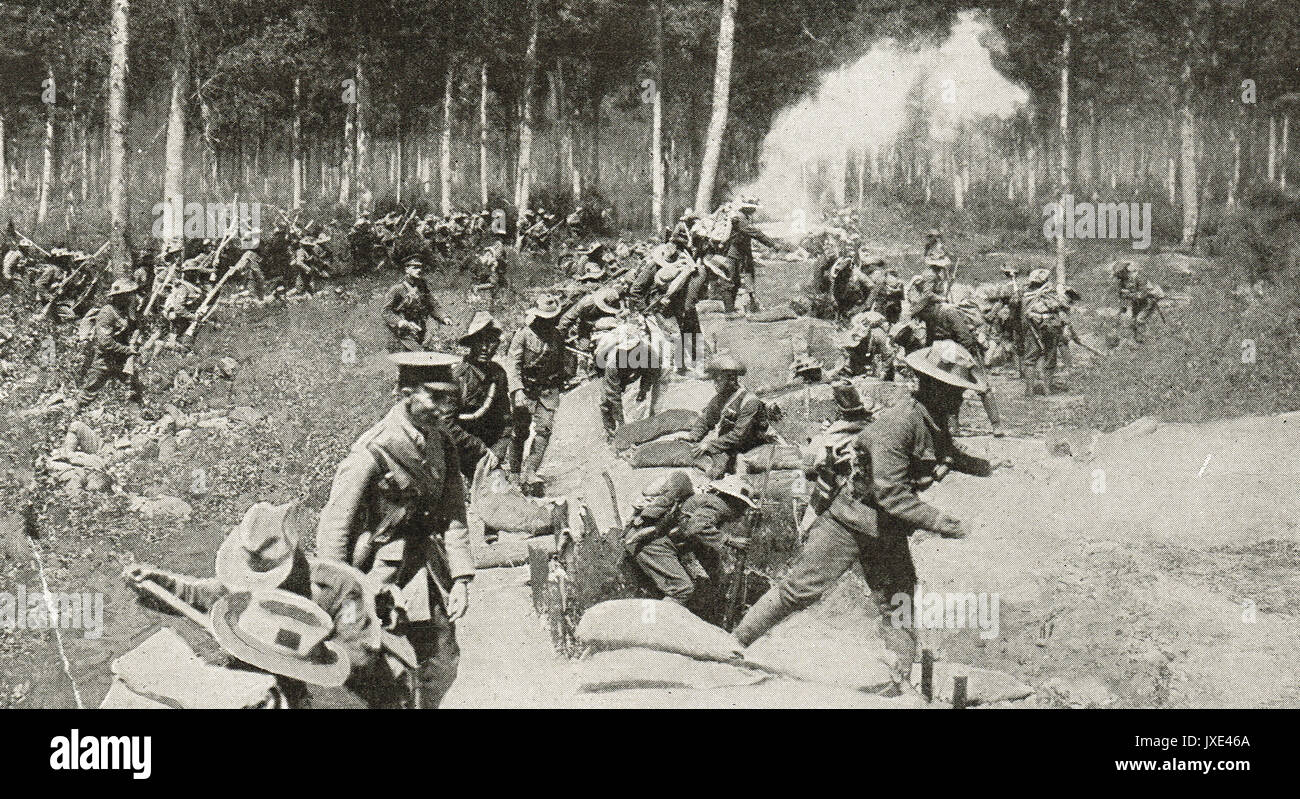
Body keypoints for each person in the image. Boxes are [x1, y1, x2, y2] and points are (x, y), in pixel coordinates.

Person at [731, 341, 994, 680]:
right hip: (849, 521)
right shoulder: (898, 424)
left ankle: (902, 677)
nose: (959, 398)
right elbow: (892, 495)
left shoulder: (932, 419)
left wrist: (985, 467)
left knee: (899, 604)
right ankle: (733, 645)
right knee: (799, 590)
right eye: (953, 391)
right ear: (932, 387)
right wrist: (948, 524)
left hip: (887, 530)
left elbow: (947, 452)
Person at [123, 501, 425, 708]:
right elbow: (199, 596)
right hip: (276, 683)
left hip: (338, 688)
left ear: (293, 567)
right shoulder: (247, 589)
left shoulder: (341, 589)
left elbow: (358, 656)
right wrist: (155, 582)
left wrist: (300, 657)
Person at [316, 351, 474, 709]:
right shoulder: (373, 451)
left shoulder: (442, 443)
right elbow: (335, 528)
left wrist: (461, 578)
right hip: (377, 574)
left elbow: (454, 512)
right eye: (435, 397)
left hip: (426, 570)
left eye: (449, 398)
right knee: (383, 672)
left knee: (442, 661)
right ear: (405, 395)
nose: (444, 408)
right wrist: (342, 597)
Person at [626, 474, 753, 618]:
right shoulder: (719, 505)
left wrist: (716, 578)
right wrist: (729, 540)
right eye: (744, 506)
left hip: (654, 544)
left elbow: (701, 546)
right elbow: (697, 527)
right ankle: (660, 624)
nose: (743, 513)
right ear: (734, 501)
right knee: (682, 589)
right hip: (652, 546)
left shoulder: (707, 502)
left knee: (692, 588)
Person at [905, 276, 1004, 437]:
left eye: (922, 313)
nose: (921, 317)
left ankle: (996, 425)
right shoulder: (932, 317)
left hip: (961, 350)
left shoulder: (948, 311)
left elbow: (965, 337)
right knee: (951, 388)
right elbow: (930, 340)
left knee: (982, 387)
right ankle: (953, 427)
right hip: (946, 351)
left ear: (928, 307)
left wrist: (969, 358)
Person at [505, 294, 567, 491]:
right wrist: (517, 390)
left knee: (544, 431)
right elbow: (513, 365)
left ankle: (530, 470)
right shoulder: (523, 335)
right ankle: (515, 474)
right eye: (546, 318)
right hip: (526, 390)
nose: (550, 321)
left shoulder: (557, 337)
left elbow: (561, 362)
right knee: (519, 432)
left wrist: (561, 380)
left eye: (553, 318)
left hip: (547, 390)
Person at [687, 354, 773, 479]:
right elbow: (706, 420)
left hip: (751, 447)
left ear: (732, 380)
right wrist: (692, 438)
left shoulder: (750, 402)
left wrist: (709, 445)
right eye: (714, 380)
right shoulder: (719, 399)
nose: (715, 384)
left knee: (720, 471)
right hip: (727, 445)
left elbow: (738, 435)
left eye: (719, 380)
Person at [450, 312, 512, 482]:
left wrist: (497, 452)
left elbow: (506, 419)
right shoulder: (459, 377)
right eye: (479, 341)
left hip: (488, 453)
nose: (485, 348)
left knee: (500, 489)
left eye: (490, 341)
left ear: (497, 344)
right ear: (471, 344)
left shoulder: (498, 374)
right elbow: (446, 424)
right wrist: (481, 450)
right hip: (458, 451)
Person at [75, 277, 144, 408]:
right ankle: (73, 412)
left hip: (121, 360)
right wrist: (127, 350)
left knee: (133, 389)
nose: (132, 297)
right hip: (105, 359)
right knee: (89, 392)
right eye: (129, 294)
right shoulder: (107, 312)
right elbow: (104, 342)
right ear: (119, 297)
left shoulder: (127, 312)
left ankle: (136, 413)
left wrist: (135, 334)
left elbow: (134, 328)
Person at [595, 319, 662, 442]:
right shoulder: (612, 361)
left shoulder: (648, 351)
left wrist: (643, 390)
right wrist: (622, 423)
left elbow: (651, 373)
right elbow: (613, 394)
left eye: (632, 349)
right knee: (605, 402)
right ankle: (610, 433)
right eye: (626, 350)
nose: (629, 352)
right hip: (613, 370)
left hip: (633, 370)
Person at [714, 197, 780, 314]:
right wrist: (772, 244)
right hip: (732, 254)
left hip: (742, 253)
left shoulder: (745, 217)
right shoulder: (740, 218)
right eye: (753, 208)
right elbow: (756, 233)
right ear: (746, 208)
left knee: (737, 282)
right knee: (729, 281)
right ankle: (729, 312)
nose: (755, 210)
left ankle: (737, 309)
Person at [383, 254, 453, 351]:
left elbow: (432, 305)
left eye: (420, 267)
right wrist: (399, 321)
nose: (419, 270)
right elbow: (386, 312)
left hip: (420, 330)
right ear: (407, 269)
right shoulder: (397, 289)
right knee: (417, 355)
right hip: (402, 333)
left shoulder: (422, 288)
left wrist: (444, 317)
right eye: (415, 267)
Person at [1021, 268, 1069, 396]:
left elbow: (1022, 315)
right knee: (1050, 357)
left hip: (1033, 328)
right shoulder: (1053, 294)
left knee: (1030, 359)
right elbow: (1064, 308)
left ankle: (1029, 390)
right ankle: (1047, 389)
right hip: (1051, 327)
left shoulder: (1026, 295)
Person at [835, 310, 894, 380]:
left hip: (875, 355)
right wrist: (839, 368)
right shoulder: (850, 334)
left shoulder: (879, 335)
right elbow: (844, 352)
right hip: (860, 356)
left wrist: (883, 373)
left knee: (881, 374)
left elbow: (888, 356)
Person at [1112, 261, 1160, 343]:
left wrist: (1128, 294)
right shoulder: (1123, 280)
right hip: (1137, 301)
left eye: (1119, 274)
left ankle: (1144, 341)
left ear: (1124, 271)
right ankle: (1137, 340)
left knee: (1139, 319)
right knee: (1133, 321)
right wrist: (1123, 305)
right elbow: (1121, 294)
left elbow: (1142, 295)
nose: (1118, 277)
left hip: (1149, 299)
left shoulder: (1138, 277)